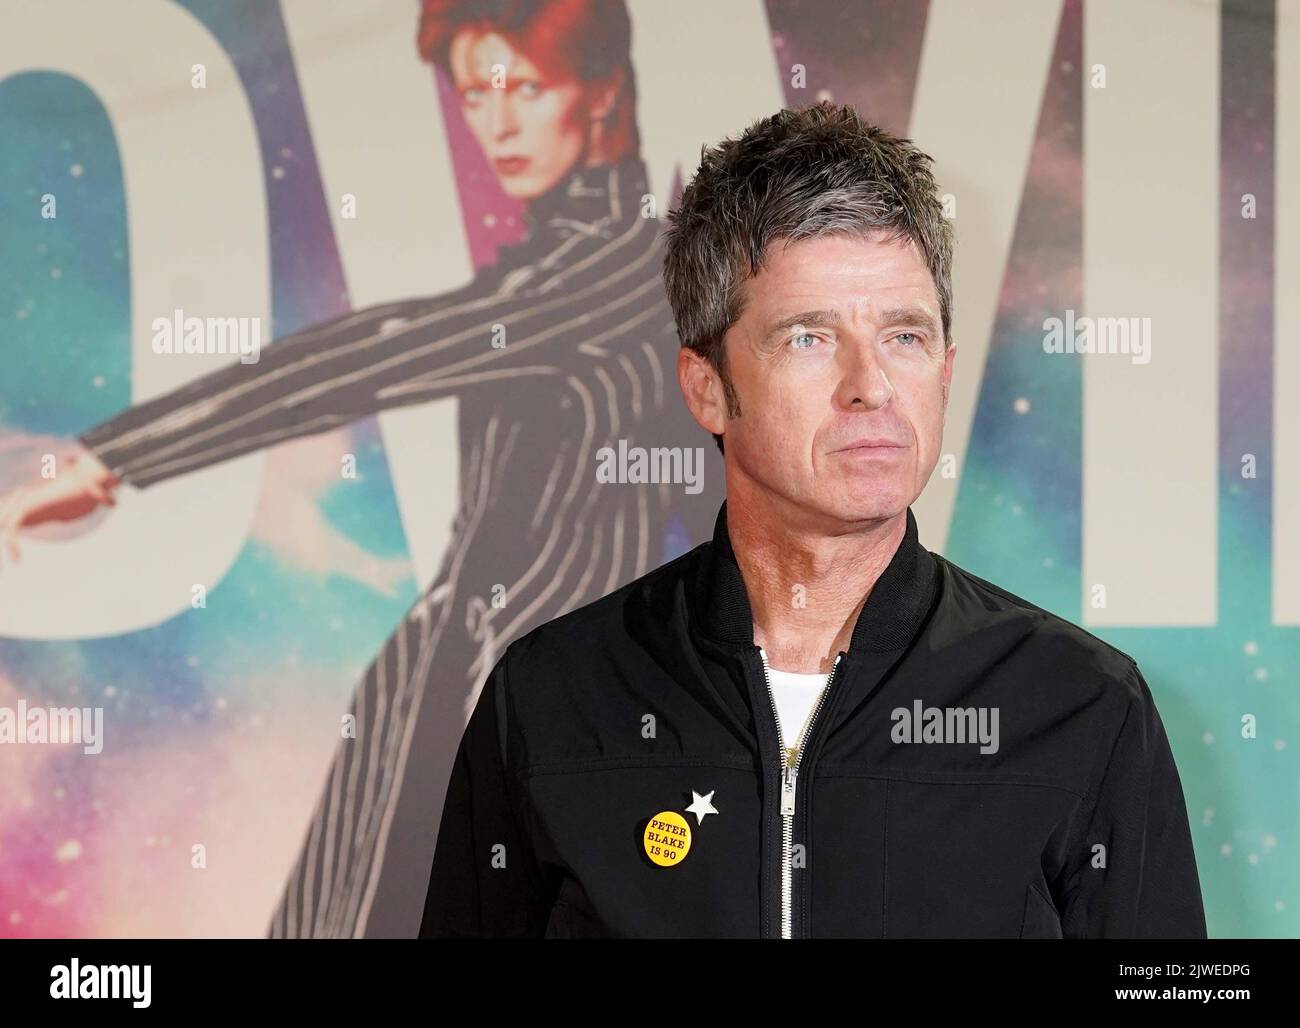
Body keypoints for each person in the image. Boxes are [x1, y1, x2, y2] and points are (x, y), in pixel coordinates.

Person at [0, 0, 721, 937]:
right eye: (474, 92)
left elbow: (378, 352)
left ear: (604, 89)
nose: (494, 122)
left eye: (526, 88)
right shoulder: (611, 267)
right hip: (485, 717)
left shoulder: (607, 273)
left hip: (497, 723)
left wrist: (115, 457)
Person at [419, 99, 1209, 938]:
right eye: (809, 337)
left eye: (904, 335)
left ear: (945, 371)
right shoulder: (551, 700)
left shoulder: (1081, 705)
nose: (870, 385)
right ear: (707, 387)